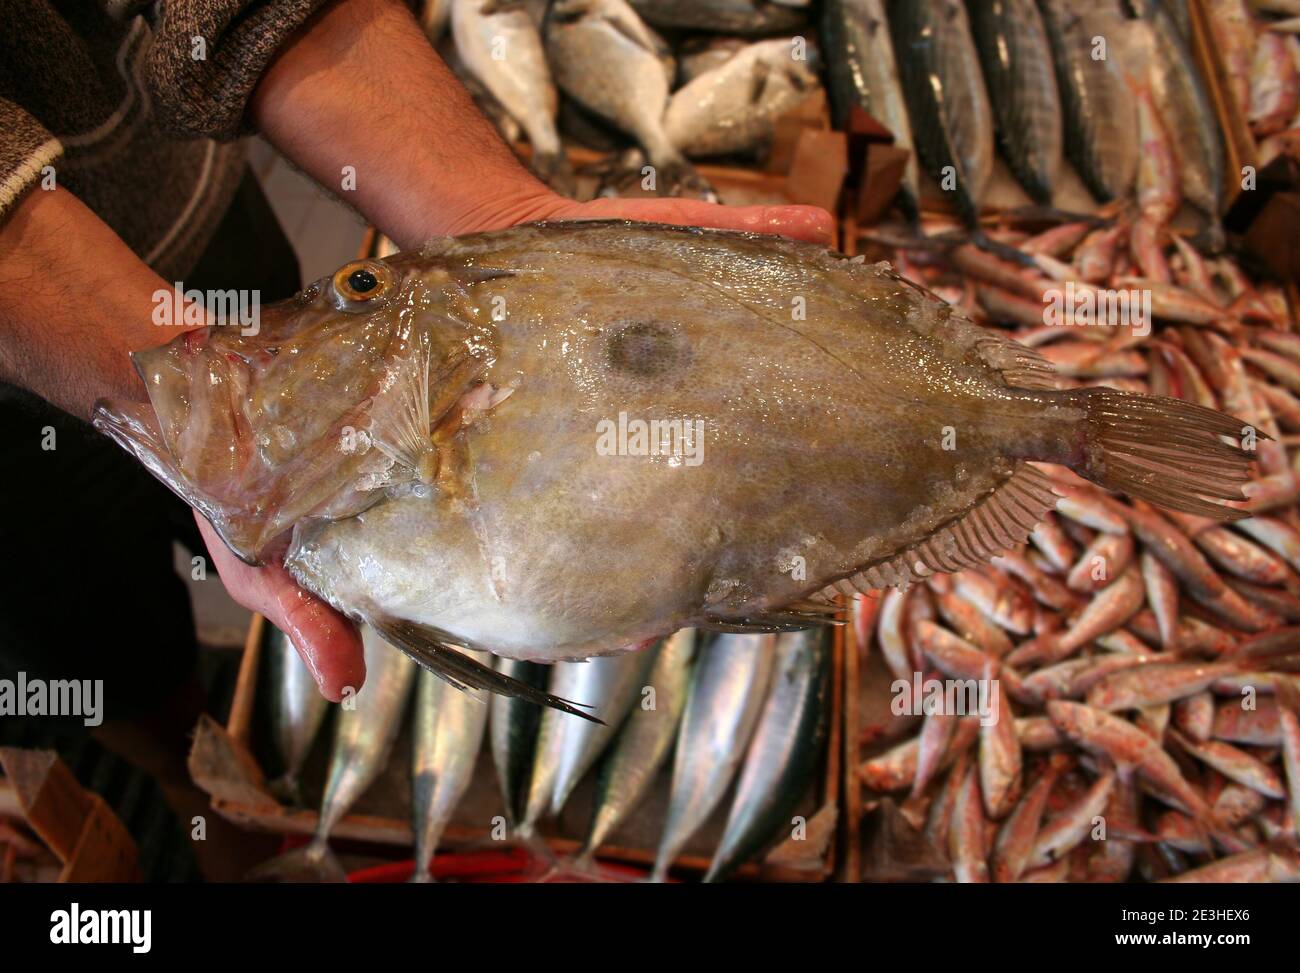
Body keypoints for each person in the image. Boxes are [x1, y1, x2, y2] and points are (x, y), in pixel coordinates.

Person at [0, 0, 834, 712]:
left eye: (360, 289)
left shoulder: (281, 392)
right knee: (94, 646)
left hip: (187, 199)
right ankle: (177, 785)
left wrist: (494, 209)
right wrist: (142, 374)